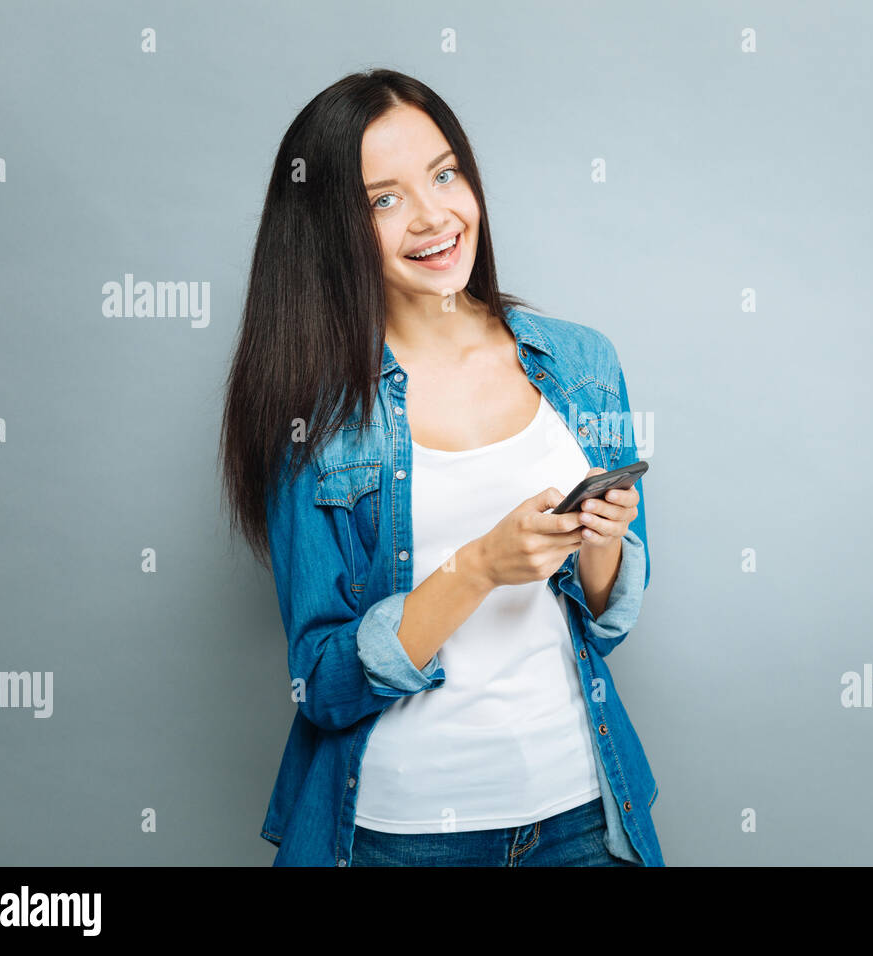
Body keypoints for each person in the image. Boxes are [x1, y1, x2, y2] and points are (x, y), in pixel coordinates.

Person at [219, 69, 662, 867]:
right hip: (402, 835)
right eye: (383, 200)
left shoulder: (581, 364)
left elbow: (606, 620)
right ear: (331, 230)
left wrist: (601, 539)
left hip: (582, 815)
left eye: (444, 173)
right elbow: (321, 683)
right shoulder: (315, 418)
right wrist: (478, 568)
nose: (434, 217)